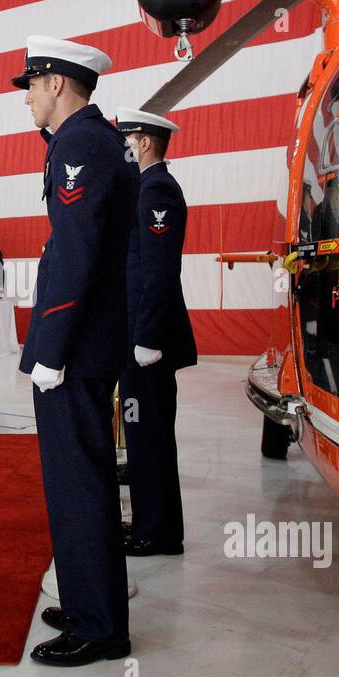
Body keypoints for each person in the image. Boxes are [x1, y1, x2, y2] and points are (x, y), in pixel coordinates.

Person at [14, 35, 136, 666]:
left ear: (57, 83)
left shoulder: (82, 142)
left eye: (31, 85)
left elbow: (75, 250)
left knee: (77, 479)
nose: (27, 98)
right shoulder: (85, 138)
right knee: (76, 476)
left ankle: (100, 626)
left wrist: (51, 348)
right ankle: (92, 600)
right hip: (90, 335)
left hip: (78, 340)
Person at [115, 108, 197, 556]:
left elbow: (159, 271)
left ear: (144, 142)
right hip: (137, 337)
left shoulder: (157, 189)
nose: (122, 150)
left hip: (148, 342)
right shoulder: (144, 189)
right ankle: (150, 523)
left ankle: (158, 532)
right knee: (143, 434)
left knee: (149, 436)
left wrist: (146, 337)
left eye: (127, 140)